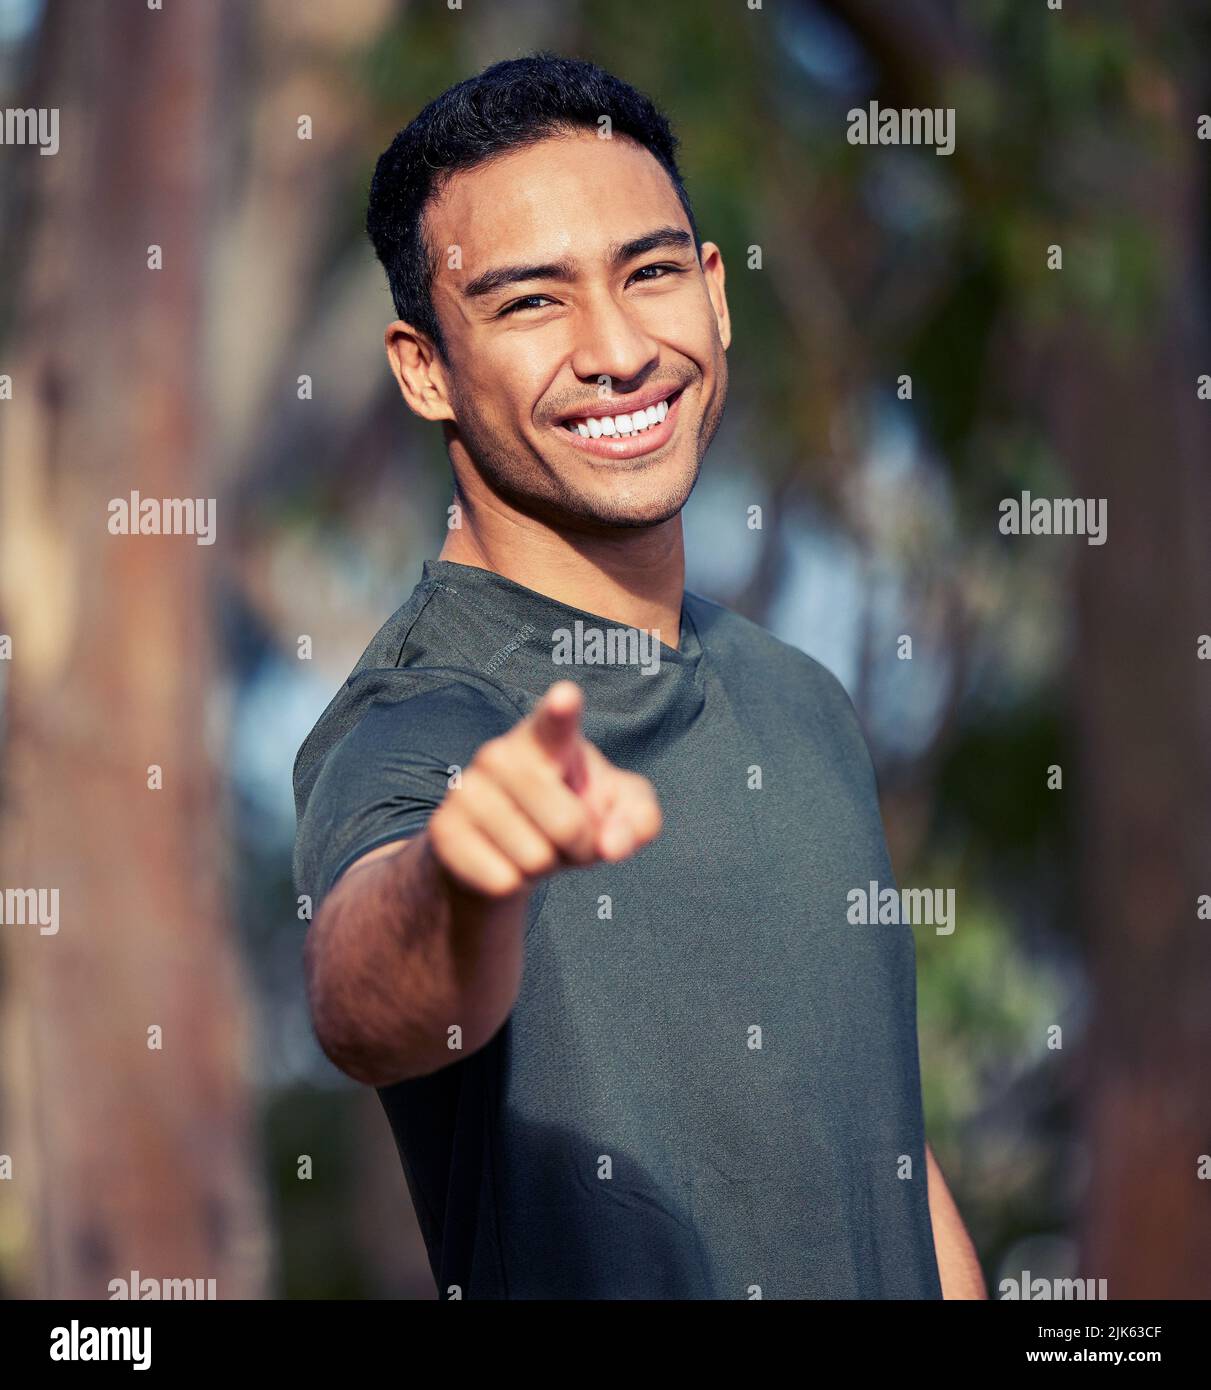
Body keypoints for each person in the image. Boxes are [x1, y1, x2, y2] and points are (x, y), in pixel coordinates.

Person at [293, 52, 985, 1300]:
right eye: (528, 303)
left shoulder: (801, 700)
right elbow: (360, 997)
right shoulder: (428, 714)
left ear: (713, 292)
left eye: (649, 272)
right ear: (422, 368)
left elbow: (876, 1140)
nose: (617, 350)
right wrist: (459, 876)